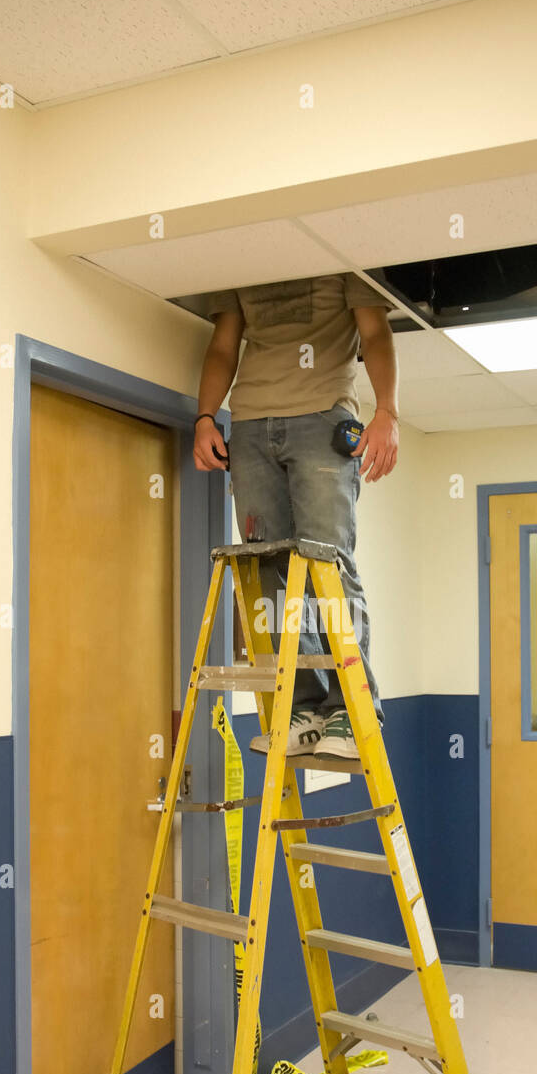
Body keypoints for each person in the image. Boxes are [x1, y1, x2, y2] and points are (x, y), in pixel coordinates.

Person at [193, 273, 399, 760]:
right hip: (247, 425)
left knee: (327, 564)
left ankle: (351, 704)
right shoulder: (243, 260)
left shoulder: (339, 253)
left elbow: (373, 333)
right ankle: (303, 706)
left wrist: (387, 409)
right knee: (269, 573)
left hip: (322, 418)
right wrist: (206, 415)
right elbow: (224, 344)